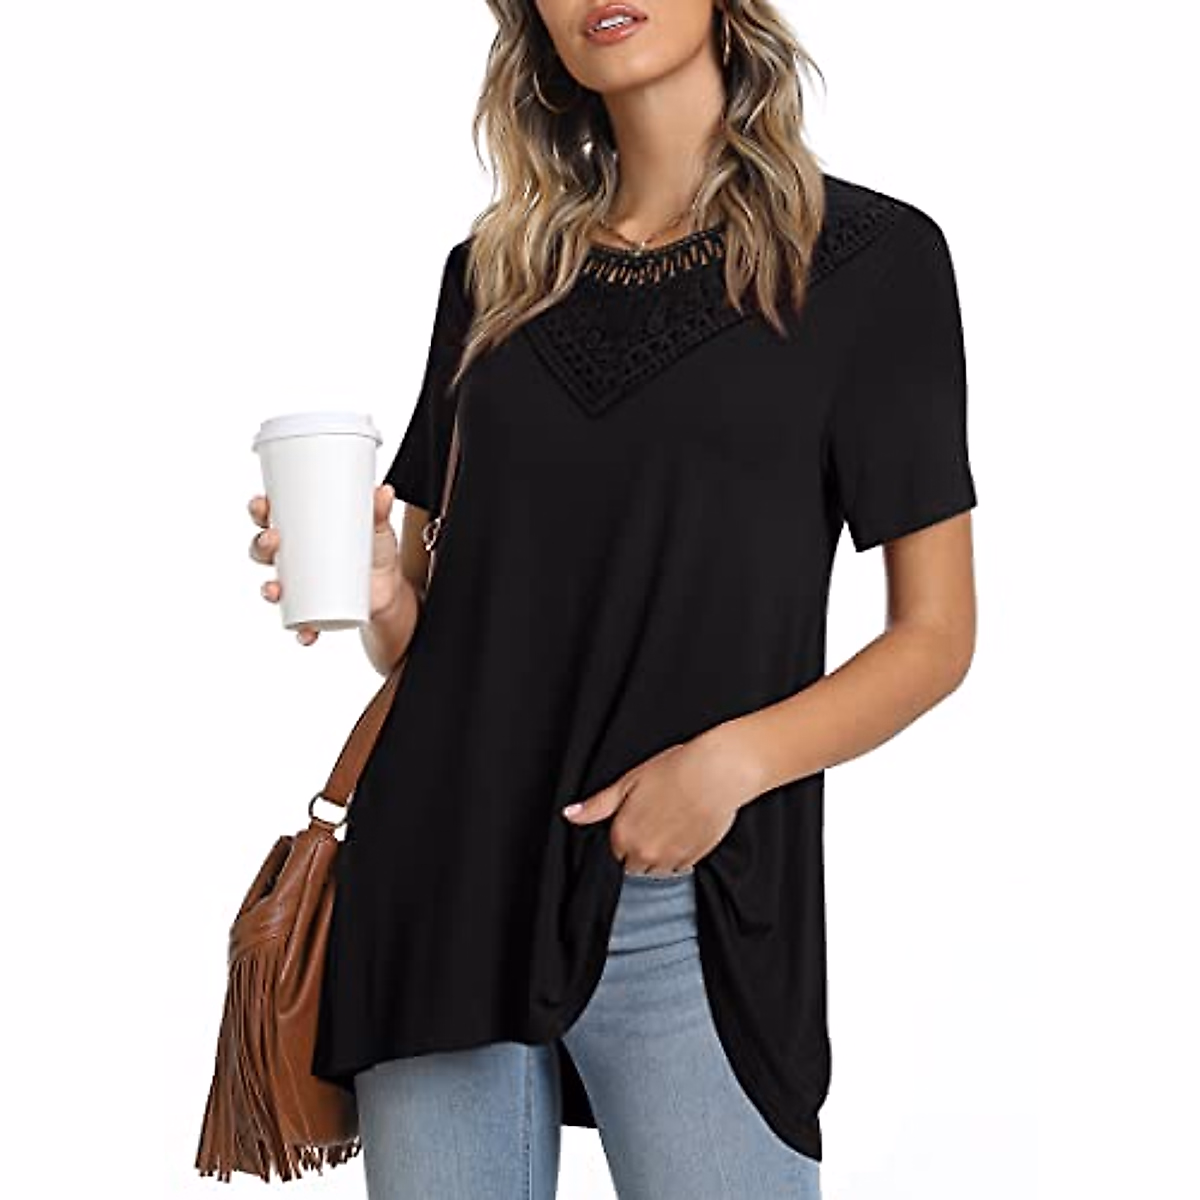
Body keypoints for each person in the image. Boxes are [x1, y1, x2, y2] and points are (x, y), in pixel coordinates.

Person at [246, 1, 978, 1195]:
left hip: (684, 889)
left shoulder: (866, 261)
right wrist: (380, 590)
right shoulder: (492, 276)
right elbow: (437, 640)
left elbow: (935, 636)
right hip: (442, 882)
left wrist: (727, 767)